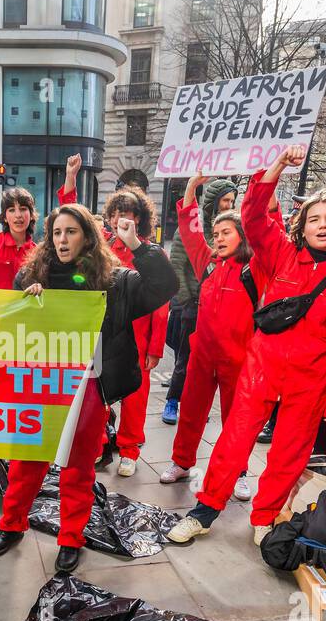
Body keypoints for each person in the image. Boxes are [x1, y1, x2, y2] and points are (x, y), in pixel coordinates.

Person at [168, 145, 326, 546]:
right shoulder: (281, 254)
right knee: (233, 440)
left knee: (289, 455)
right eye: (314, 219)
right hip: (262, 370)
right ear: (303, 226)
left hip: (310, 382)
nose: (322, 225)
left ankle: (264, 516)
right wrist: (275, 166)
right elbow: (254, 216)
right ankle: (204, 511)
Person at [0, 206, 178, 572]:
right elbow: (8, 326)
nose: (62, 240)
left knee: (78, 468)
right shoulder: (29, 276)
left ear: (87, 237)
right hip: (40, 385)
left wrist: (135, 244)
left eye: (71, 232)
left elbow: (164, 286)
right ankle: (11, 525)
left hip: (89, 388)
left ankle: (71, 537)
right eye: (57, 233)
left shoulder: (114, 282)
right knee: (27, 462)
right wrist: (26, 302)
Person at [160, 174, 256, 502]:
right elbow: (189, 228)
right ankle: (181, 462)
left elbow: (262, 220)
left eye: (225, 232)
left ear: (242, 236)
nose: (217, 238)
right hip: (203, 354)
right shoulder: (208, 263)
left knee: (236, 419)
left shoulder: (254, 268)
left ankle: (239, 472)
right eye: (215, 233)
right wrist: (192, 186)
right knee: (190, 411)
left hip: (238, 357)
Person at [99, 188, 169, 477]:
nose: (119, 221)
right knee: (98, 393)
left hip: (138, 338)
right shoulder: (101, 248)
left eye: (126, 215)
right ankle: (99, 442)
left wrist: (155, 347)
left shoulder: (151, 254)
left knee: (136, 398)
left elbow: (161, 307)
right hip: (103, 335)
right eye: (115, 215)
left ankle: (129, 450)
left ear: (138, 219)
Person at [164, 177, 238, 425]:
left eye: (232, 201)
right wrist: (184, 300)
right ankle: (173, 400)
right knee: (184, 359)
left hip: (218, 311)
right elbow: (177, 266)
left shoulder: (234, 233)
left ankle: (196, 405)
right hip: (192, 305)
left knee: (207, 366)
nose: (229, 205)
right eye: (225, 200)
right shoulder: (195, 232)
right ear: (214, 201)